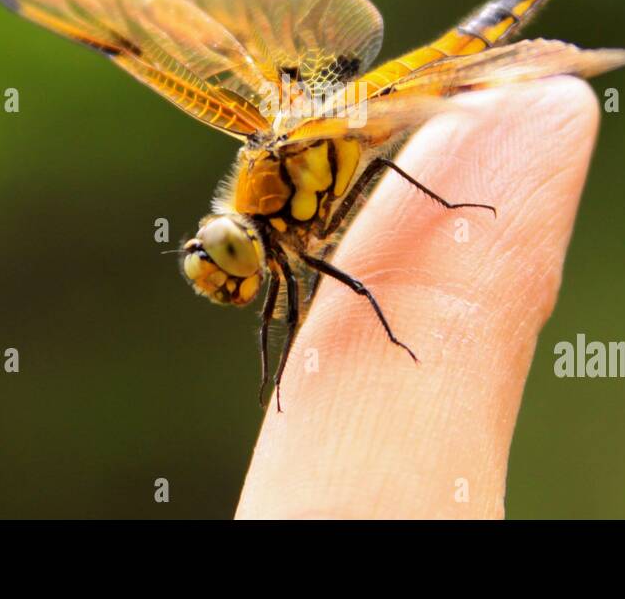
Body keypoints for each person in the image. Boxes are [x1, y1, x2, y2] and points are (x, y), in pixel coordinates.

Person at [237, 77, 601, 519]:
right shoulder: (275, 236)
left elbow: (308, 304)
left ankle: (448, 207)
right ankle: (272, 380)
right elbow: (278, 315)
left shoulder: (276, 220)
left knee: (367, 214)